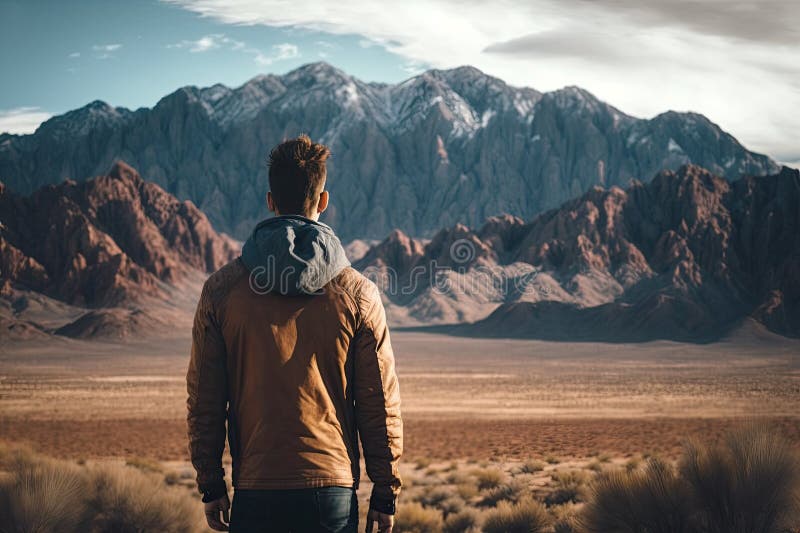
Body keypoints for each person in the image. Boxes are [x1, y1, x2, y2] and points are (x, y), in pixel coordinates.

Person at [186, 134, 402, 533]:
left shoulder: (221, 291)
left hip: (256, 490)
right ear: (323, 201)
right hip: (331, 493)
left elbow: (205, 398)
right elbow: (378, 399)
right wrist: (385, 490)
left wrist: (211, 484)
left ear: (270, 201)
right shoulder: (358, 293)